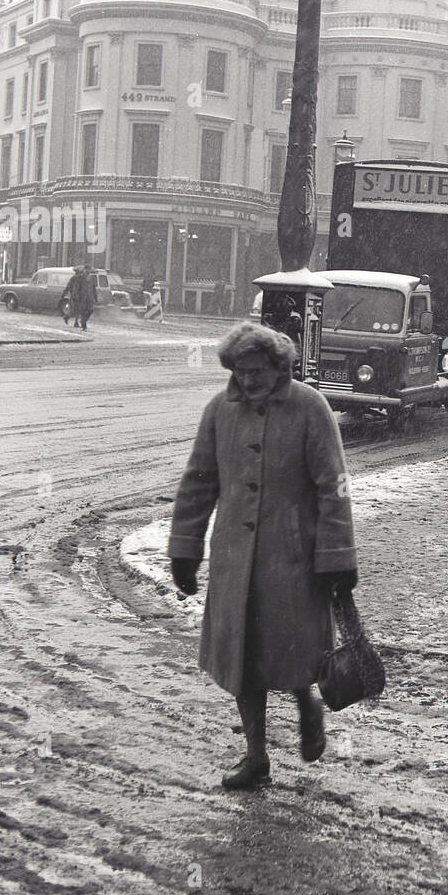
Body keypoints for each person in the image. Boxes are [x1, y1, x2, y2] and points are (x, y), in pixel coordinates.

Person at [168, 324, 358, 790]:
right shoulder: (220, 411)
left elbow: (334, 484)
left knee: (293, 650)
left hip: (292, 556)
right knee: (242, 659)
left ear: (278, 367)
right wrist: (184, 551)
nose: (247, 381)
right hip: (234, 557)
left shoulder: (310, 407)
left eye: (255, 372)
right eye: (239, 372)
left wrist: (338, 554)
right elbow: (198, 483)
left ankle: (306, 702)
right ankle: (256, 755)